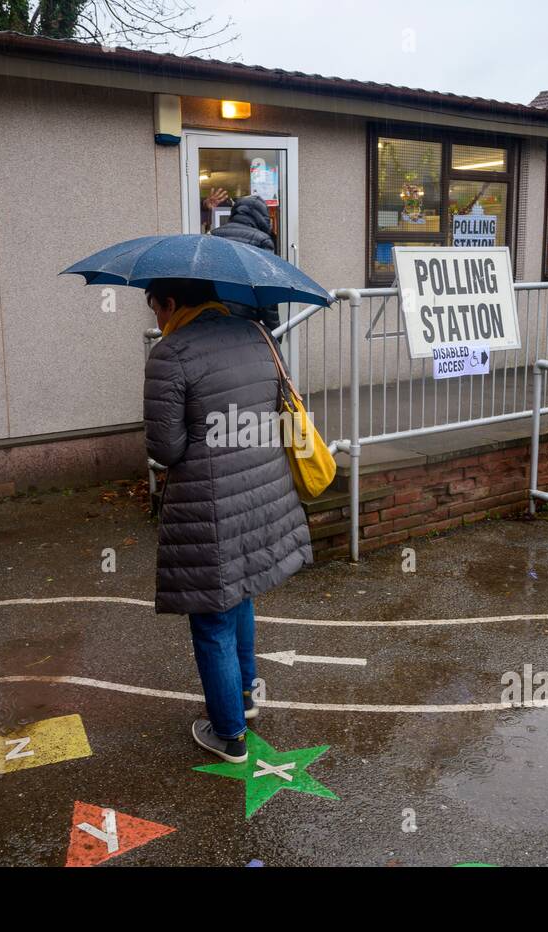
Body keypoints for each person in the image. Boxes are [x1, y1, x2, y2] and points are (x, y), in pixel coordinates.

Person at [143, 277, 313, 763]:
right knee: (239, 597)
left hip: (209, 506)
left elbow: (165, 448)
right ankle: (243, 700)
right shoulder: (256, 334)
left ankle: (229, 734)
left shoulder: (170, 354)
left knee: (212, 619)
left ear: (171, 303)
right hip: (262, 493)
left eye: (156, 308)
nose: (157, 319)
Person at [208, 194, 283, 335]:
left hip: (211, 319)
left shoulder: (213, 235)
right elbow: (266, 288)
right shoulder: (262, 241)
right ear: (263, 217)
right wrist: (275, 329)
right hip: (244, 321)